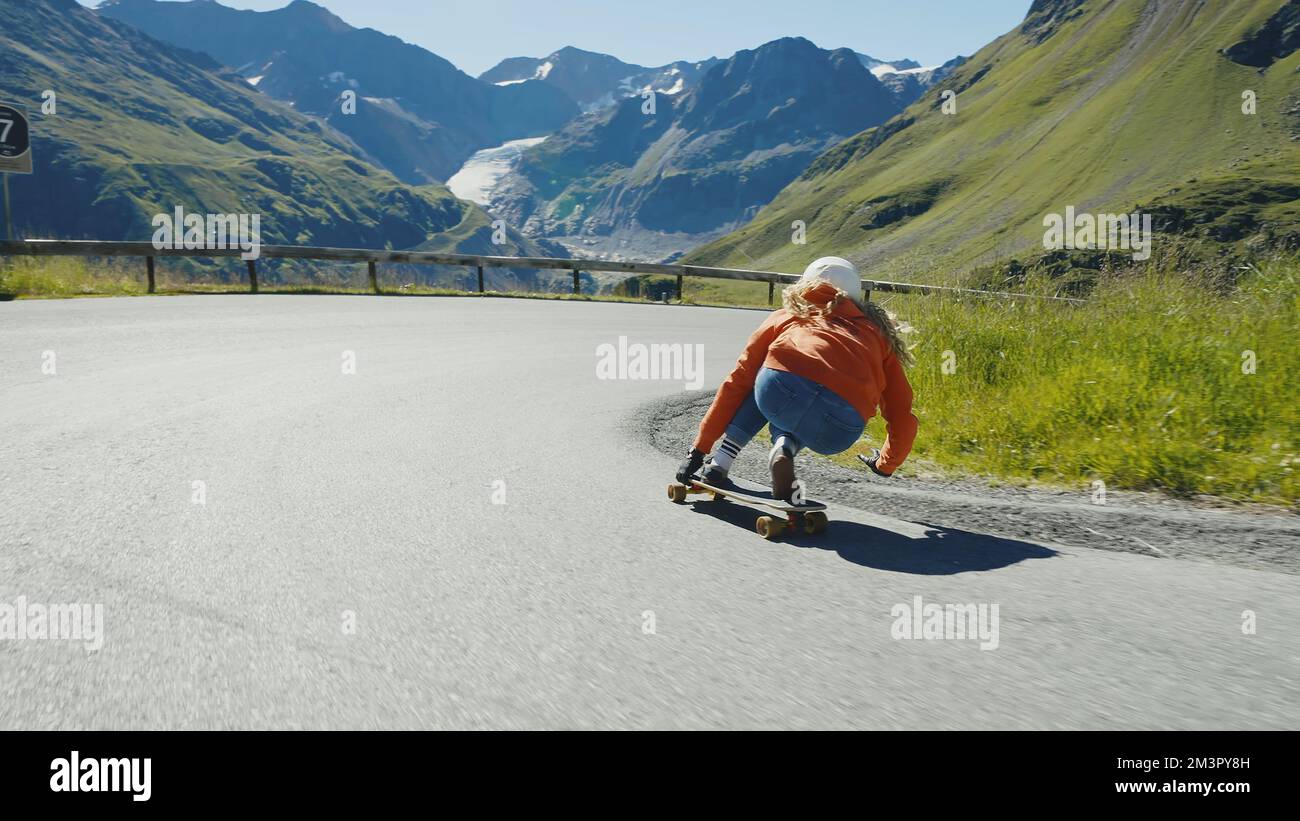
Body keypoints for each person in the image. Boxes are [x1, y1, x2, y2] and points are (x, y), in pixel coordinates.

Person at [676, 256, 917, 501]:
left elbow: (738, 380)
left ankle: (719, 464)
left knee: (774, 377)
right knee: (808, 401)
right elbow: (901, 411)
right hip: (840, 425)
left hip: (780, 392)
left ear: (806, 284)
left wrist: (698, 449)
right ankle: (784, 448)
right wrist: (886, 463)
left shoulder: (789, 315)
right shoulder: (877, 336)